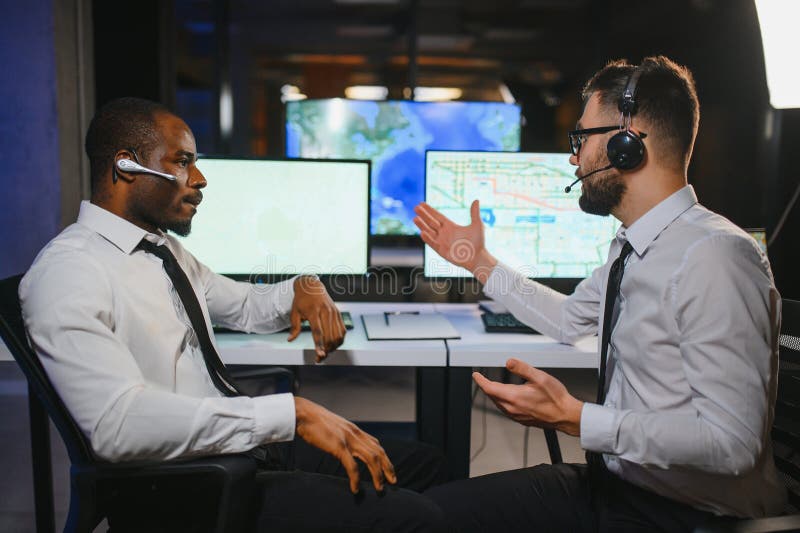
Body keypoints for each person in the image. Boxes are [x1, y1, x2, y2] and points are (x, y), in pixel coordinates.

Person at [20, 97, 446, 532]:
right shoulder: (69, 272)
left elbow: (242, 305)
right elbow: (118, 426)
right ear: (127, 167)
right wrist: (291, 413)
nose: (200, 179)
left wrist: (303, 286)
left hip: (238, 449)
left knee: (426, 466)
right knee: (414, 518)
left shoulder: (162, 250)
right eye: (183, 162)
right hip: (188, 486)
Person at [414, 56, 786, 531]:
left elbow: (732, 443)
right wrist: (478, 262)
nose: (574, 157)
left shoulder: (715, 256)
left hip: (682, 516)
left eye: (582, 137)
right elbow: (571, 319)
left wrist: (577, 418)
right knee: (427, 514)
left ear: (627, 143)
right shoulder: (634, 244)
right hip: (615, 489)